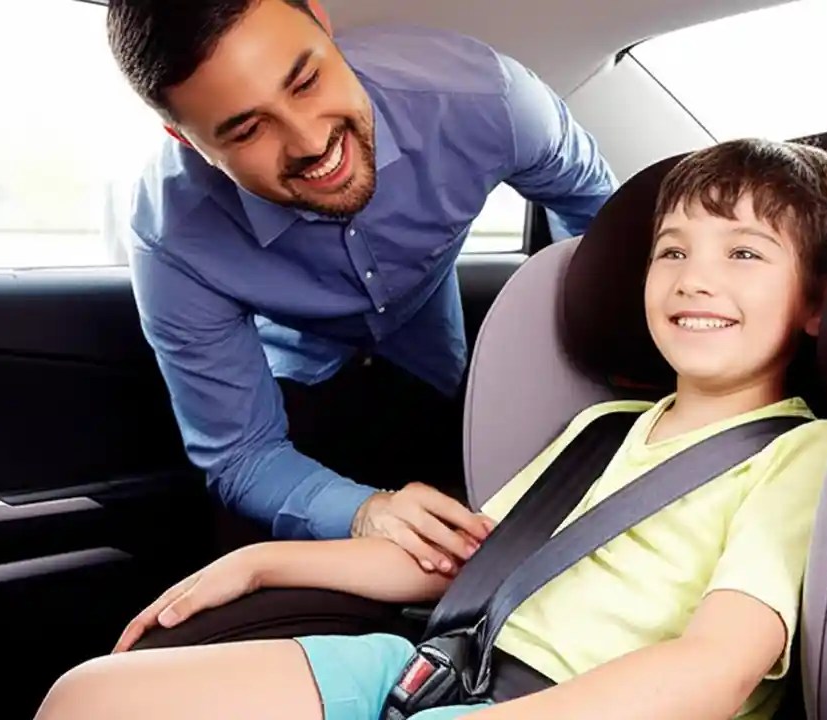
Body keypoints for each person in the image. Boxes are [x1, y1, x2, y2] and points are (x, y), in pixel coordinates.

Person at [34, 137, 827, 720]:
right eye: (672, 252)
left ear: (816, 302)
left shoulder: (801, 453)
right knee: (90, 696)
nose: (694, 280)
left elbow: (713, 668)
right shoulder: (605, 428)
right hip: (441, 667)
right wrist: (260, 563)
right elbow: (463, 560)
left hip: (581, 703)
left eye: (744, 255)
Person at [106, 0, 618, 570]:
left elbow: (610, 234)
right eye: (249, 128)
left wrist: (589, 377)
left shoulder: (486, 100)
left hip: (439, 374)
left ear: (324, 25)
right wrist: (364, 513)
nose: (309, 142)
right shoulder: (172, 236)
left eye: (306, 82)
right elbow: (243, 455)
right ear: (184, 138)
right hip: (293, 400)